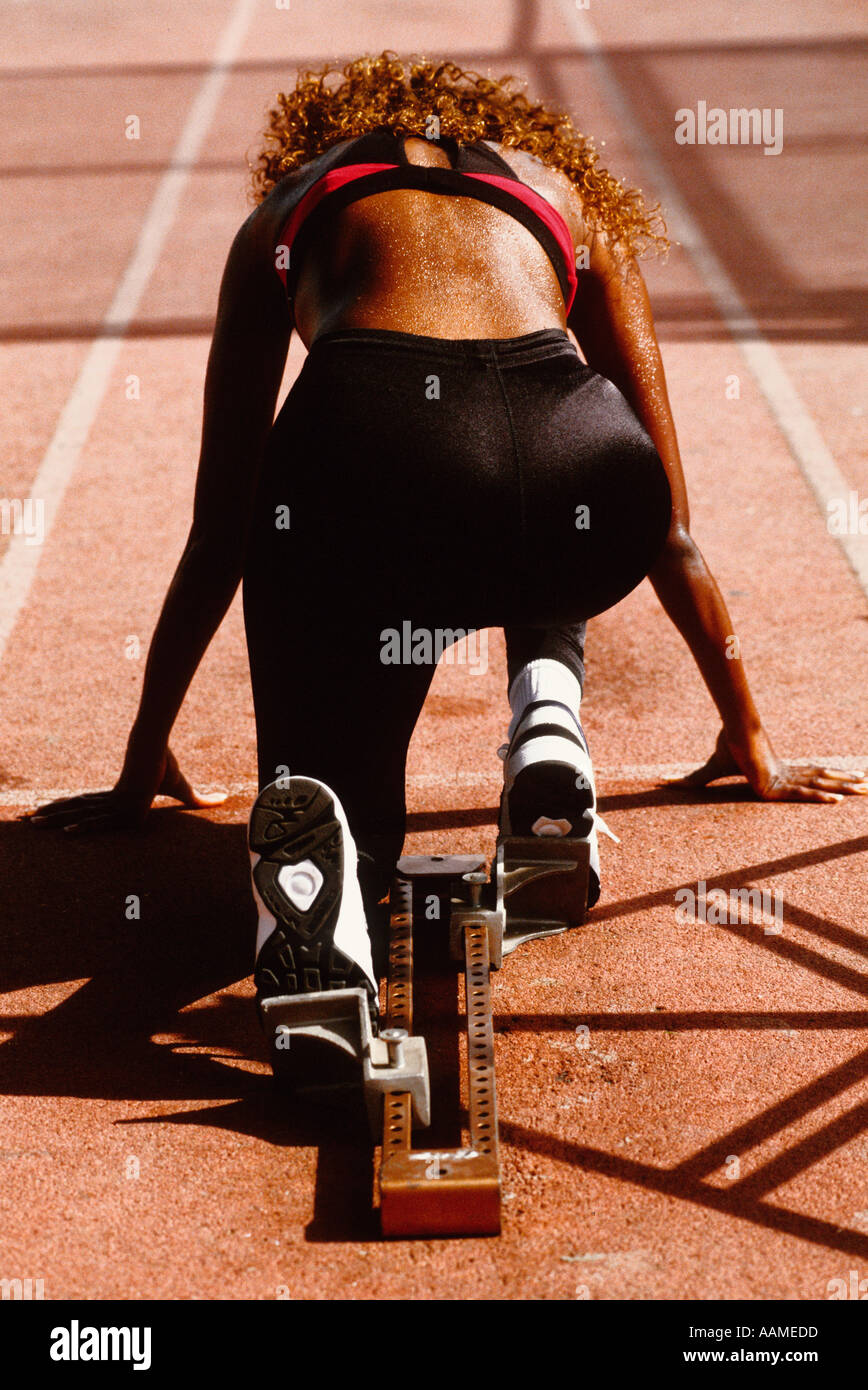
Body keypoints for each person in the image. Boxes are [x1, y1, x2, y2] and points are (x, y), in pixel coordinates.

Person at [29, 54, 867, 1039]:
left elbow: (223, 532)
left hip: (371, 451)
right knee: (537, 497)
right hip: (585, 472)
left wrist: (141, 762)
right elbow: (673, 533)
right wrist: (749, 736)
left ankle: (335, 877)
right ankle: (549, 717)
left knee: (338, 779)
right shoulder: (561, 199)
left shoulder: (284, 215)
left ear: (314, 141)